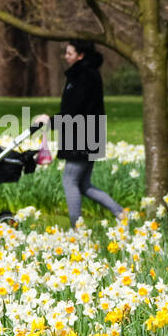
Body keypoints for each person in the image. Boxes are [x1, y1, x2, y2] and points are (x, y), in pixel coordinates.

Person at [37, 40, 125, 228]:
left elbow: (74, 111)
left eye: (69, 53)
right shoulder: (84, 74)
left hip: (82, 136)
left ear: (81, 55)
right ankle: (121, 213)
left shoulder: (83, 76)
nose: (66, 56)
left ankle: (77, 227)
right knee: (83, 184)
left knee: (70, 180)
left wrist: (50, 122)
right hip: (87, 134)